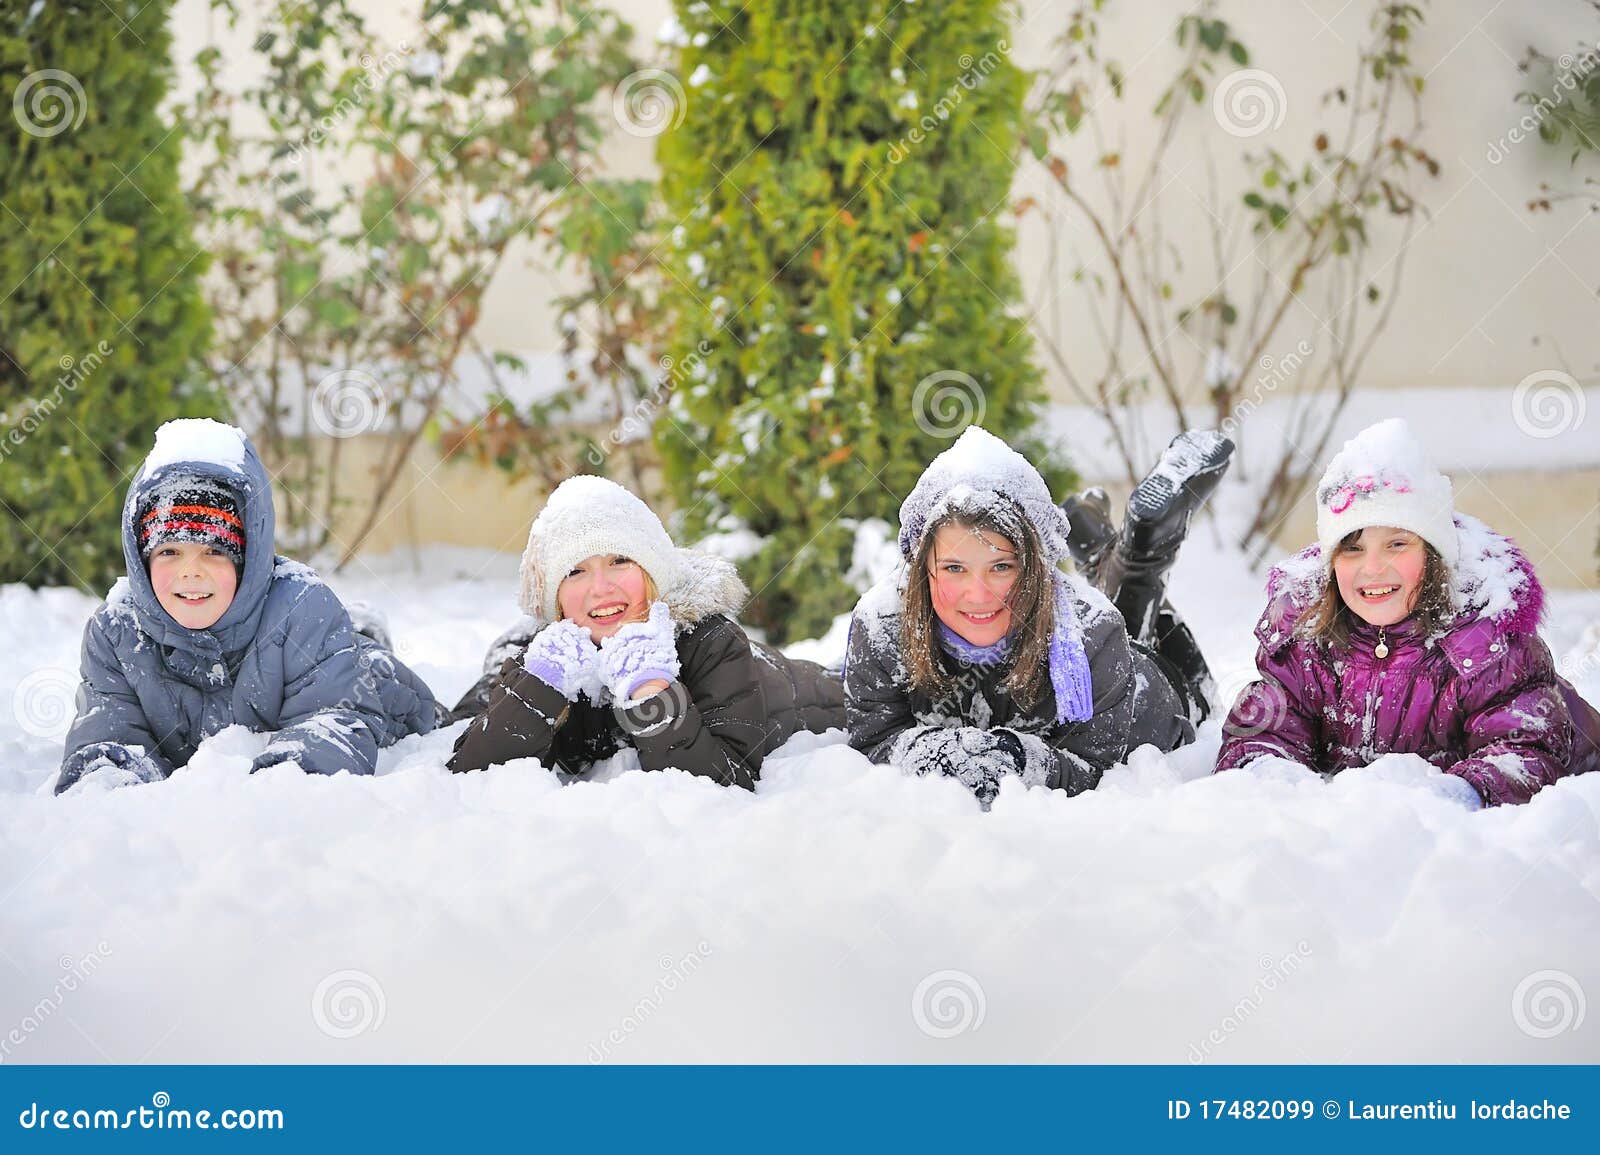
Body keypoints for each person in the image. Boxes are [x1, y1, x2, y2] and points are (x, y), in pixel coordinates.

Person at [1216, 418, 1600, 806]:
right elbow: (1267, 728)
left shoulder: (1484, 643)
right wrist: (1267, 774)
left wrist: (1460, 795)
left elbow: (1526, 745)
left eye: (1397, 544)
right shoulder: (1308, 642)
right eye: (1352, 548)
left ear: (1433, 555)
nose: (1373, 567)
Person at [844, 425, 1230, 807]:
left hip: (1145, 689)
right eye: (954, 568)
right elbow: (872, 741)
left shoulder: (1093, 633)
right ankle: (1097, 544)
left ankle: (1141, 555)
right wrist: (937, 751)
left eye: (1001, 567)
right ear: (920, 567)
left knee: (1146, 645)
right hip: (1080, 630)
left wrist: (1019, 759)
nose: (979, 595)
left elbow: (1100, 771)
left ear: (1034, 566)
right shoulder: (882, 625)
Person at [56, 419, 438, 794]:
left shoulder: (302, 609)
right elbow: (108, 728)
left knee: (377, 671)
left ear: (246, 560)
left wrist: (285, 778)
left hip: (365, 677)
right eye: (170, 551)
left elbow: (335, 718)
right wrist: (106, 779)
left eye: (213, 552)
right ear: (142, 561)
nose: (191, 573)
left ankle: (362, 630)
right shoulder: (118, 631)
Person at [446, 476, 846, 788]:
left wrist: (654, 695)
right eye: (576, 571)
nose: (601, 588)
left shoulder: (710, 643)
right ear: (556, 600)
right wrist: (538, 688)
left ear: (653, 572)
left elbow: (725, 785)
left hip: (818, 694)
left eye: (620, 561)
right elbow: (467, 768)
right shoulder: (542, 658)